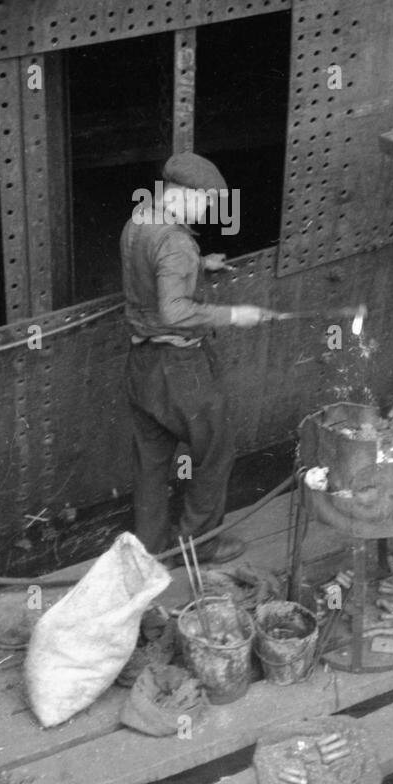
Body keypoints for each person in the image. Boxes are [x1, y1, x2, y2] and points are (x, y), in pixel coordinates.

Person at [120, 152, 275, 564]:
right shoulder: (176, 242)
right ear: (182, 195)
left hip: (141, 366)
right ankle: (200, 544)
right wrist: (233, 315)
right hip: (181, 369)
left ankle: (150, 551)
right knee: (214, 451)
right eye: (204, 202)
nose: (207, 211)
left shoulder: (139, 220)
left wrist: (200, 265)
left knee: (152, 463)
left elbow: (152, 273)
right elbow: (174, 311)